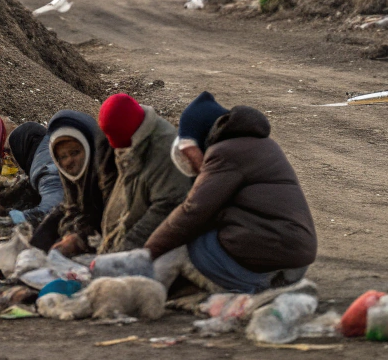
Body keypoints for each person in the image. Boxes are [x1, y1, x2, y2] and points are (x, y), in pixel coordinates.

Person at [145, 93, 318, 294]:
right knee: (201, 236)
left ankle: (147, 292)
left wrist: (146, 254)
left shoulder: (224, 153)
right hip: (294, 261)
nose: (190, 161)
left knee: (180, 246)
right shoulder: (262, 146)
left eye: (189, 151)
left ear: (203, 135)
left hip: (267, 260)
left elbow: (192, 211)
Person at [97, 93, 193, 254]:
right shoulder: (139, 134)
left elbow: (168, 206)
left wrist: (125, 248)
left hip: (169, 240)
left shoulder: (163, 150)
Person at [30, 109, 114, 256]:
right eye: (62, 157)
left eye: (75, 153)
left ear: (90, 148)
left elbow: (111, 224)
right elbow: (67, 210)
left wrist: (80, 238)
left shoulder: (110, 180)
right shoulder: (72, 187)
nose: (69, 161)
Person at [3, 122, 64, 227]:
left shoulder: (43, 166)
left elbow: (53, 208)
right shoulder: (50, 147)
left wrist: (23, 217)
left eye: (12, 154)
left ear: (21, 148)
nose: (15, 162)